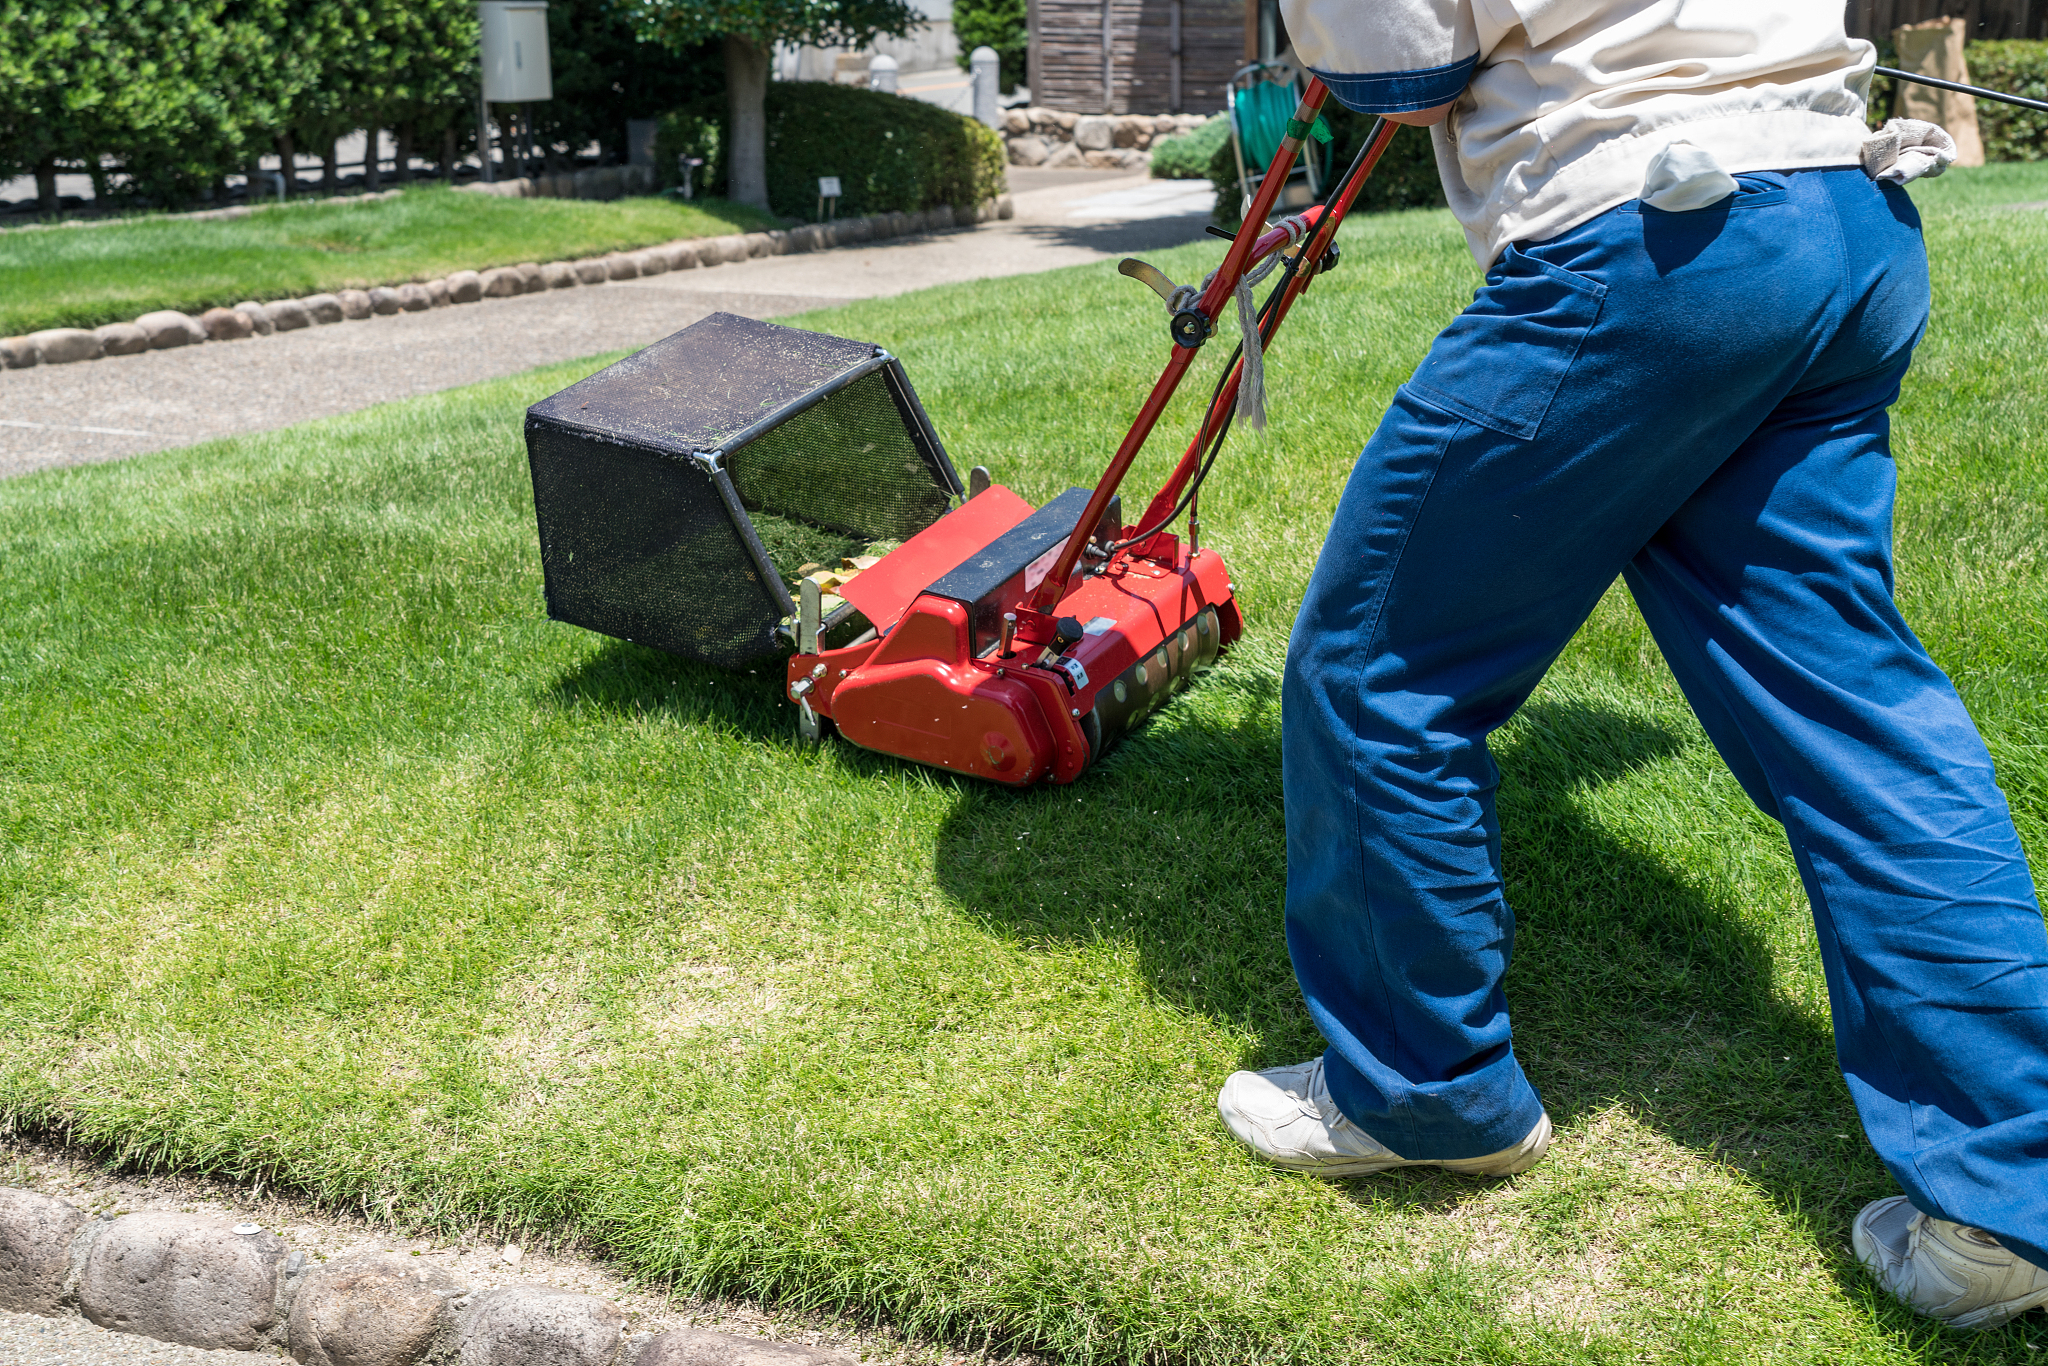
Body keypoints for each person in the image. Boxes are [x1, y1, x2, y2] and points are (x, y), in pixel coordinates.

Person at [1211, 0, 2048, 1332]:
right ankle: (2013, 1197)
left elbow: (1403, 68)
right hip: (1845, 220)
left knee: (1379, 666)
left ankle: (1422, 1088)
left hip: (1657, 241)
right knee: (1853, 716)